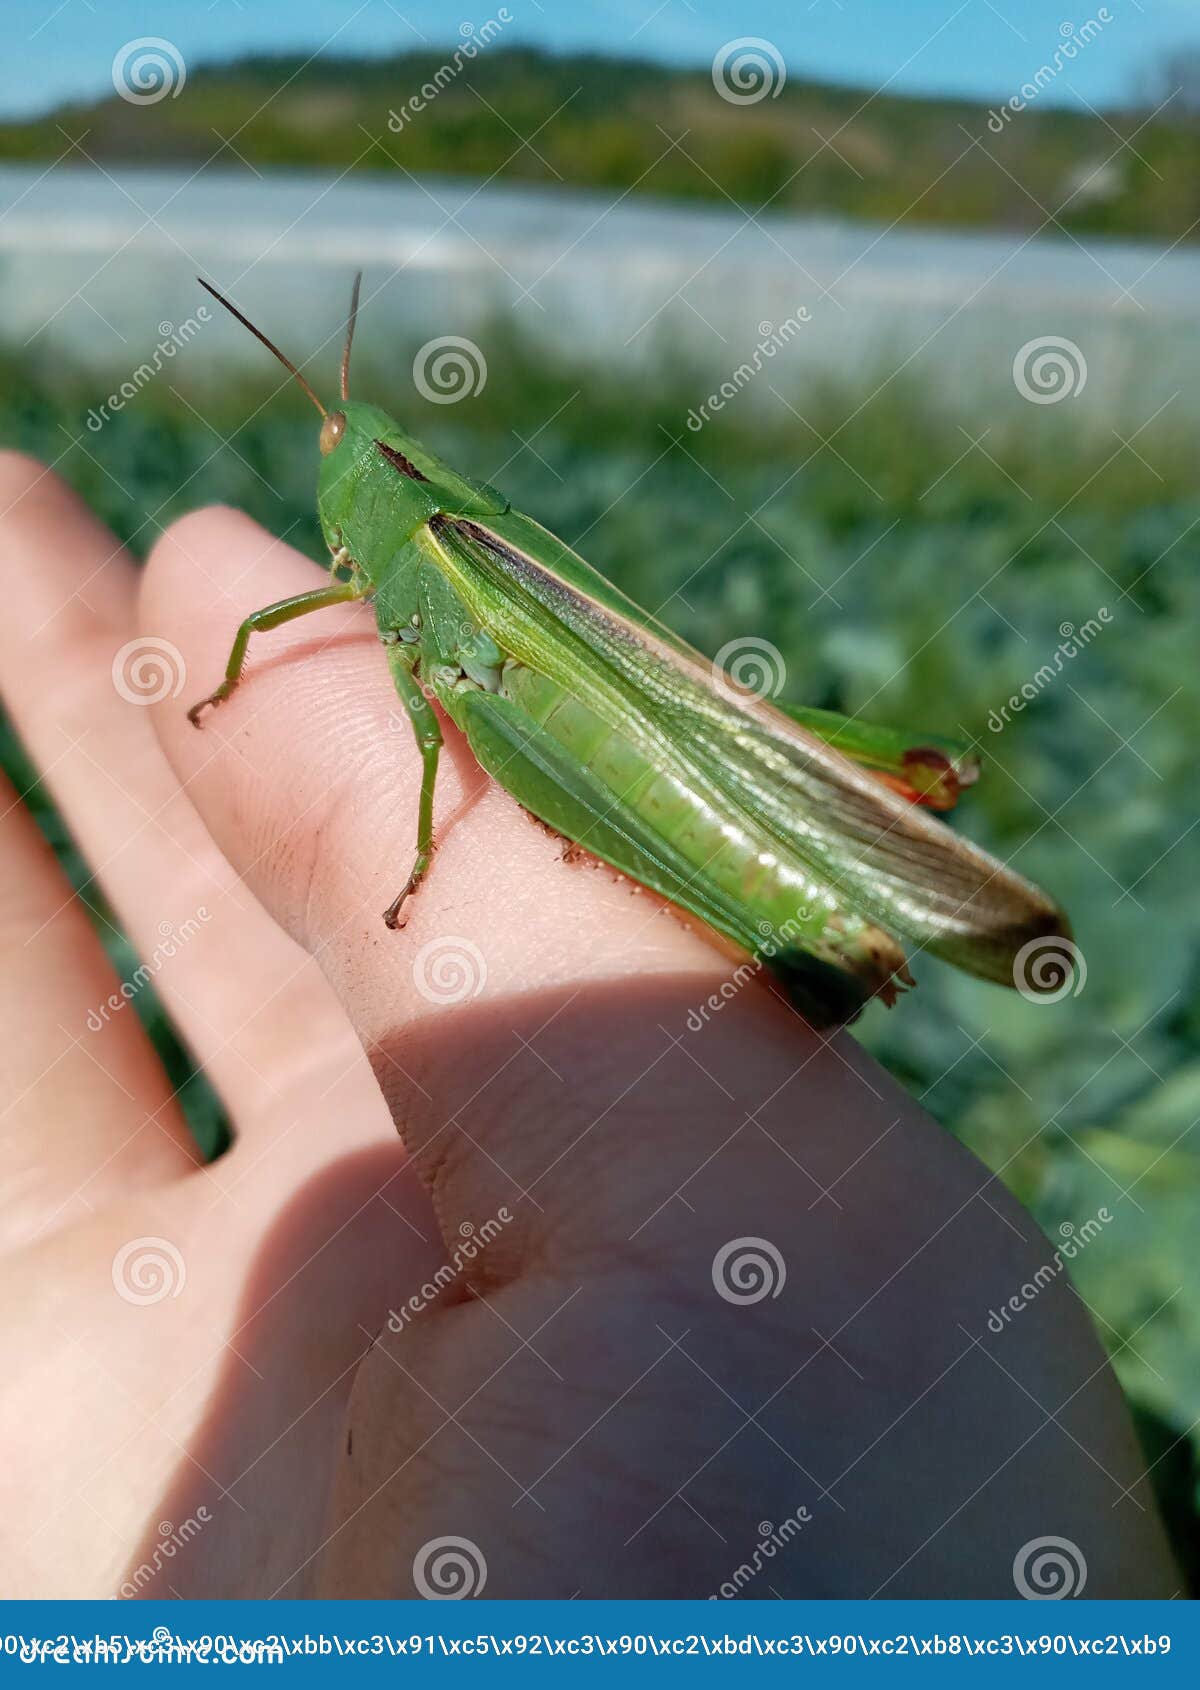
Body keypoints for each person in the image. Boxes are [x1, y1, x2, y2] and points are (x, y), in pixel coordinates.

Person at [0, 454, 1177, 1600]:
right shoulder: (428, 538)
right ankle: (834, 925)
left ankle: (842, 900)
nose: (339, 473)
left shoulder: (440, 549)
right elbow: (279, 633)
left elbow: (384, 705)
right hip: (543, 702)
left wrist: (414, 852)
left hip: (569, 710)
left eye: (356, 461)